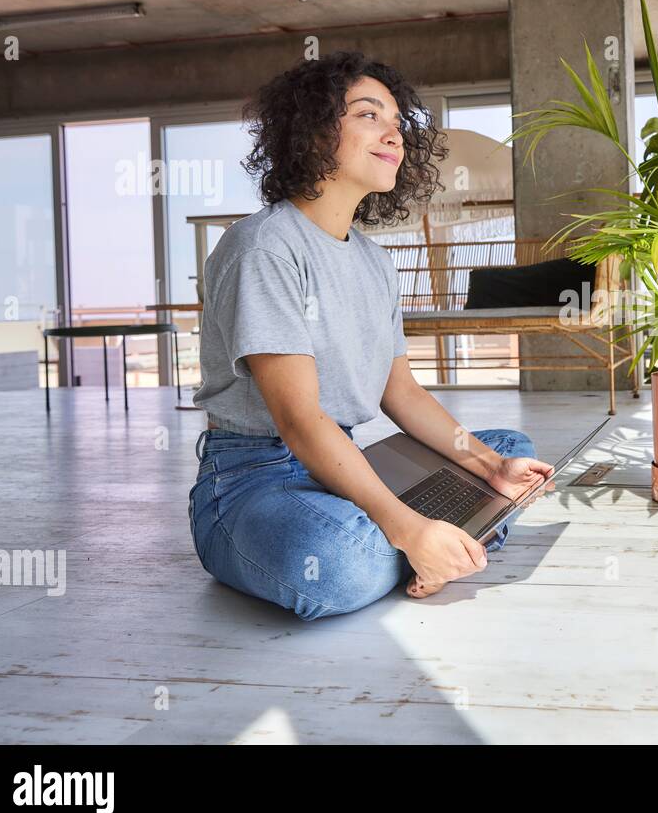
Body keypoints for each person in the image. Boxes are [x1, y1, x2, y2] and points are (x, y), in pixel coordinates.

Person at [187, 50, 554, 620]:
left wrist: (487, 468)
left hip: (356, 455)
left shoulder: (376, 262)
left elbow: (400, 393)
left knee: (512, 455)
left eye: (396, 120)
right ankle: (439, 537)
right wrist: (407, 525)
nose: (395, 134)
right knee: (340, 563)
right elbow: (299, 420)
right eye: (368, 115)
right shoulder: (264, 247)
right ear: (311, 132)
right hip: (257, 478)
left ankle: (438, 534)